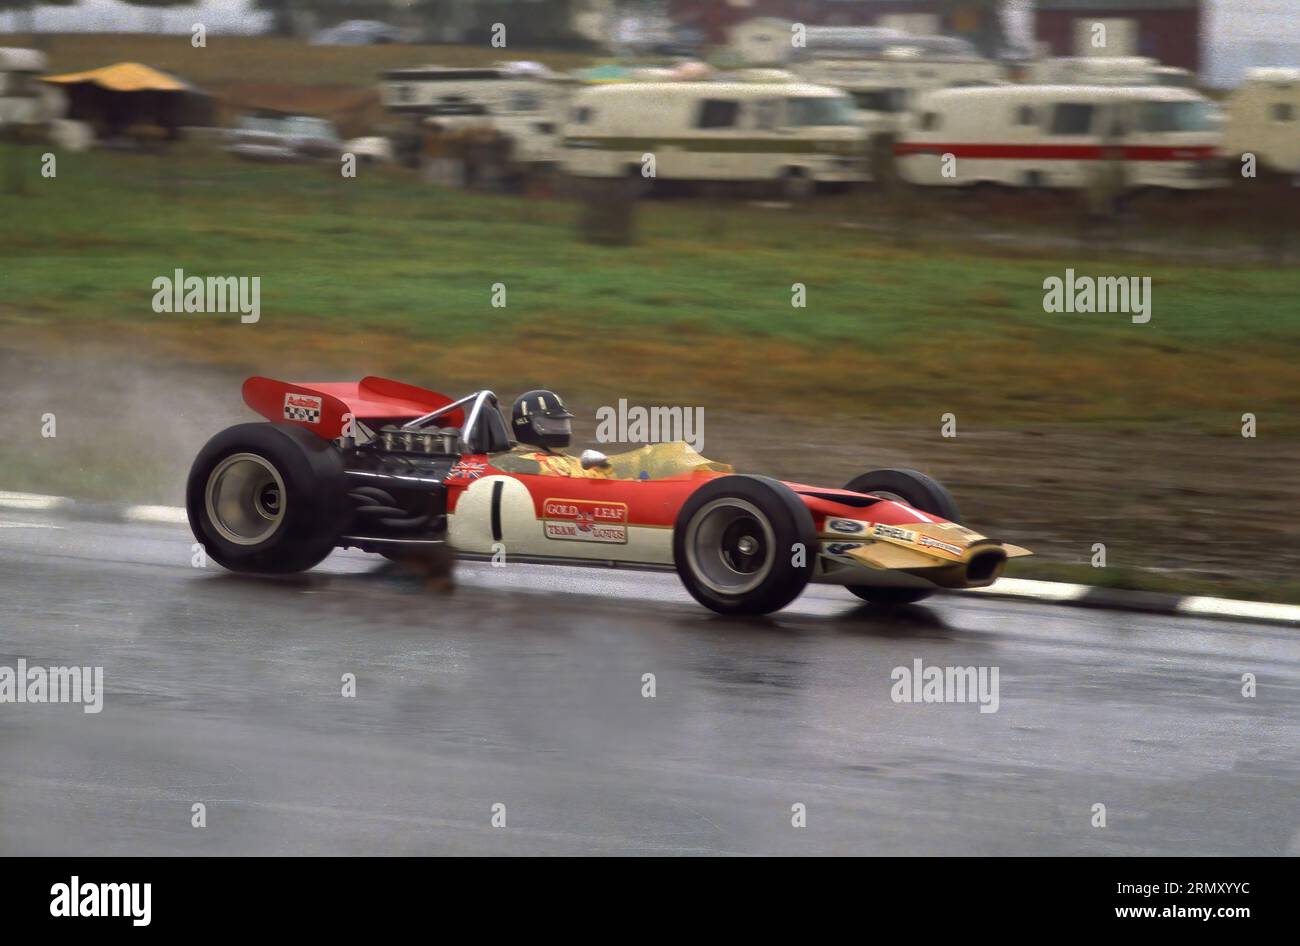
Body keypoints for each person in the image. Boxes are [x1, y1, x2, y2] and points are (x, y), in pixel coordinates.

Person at [492, 390, 612, 478]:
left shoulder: (555, 458)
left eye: (563, 422)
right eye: (555, 423)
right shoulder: (522, 463)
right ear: (534, 425)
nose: (562, 429)